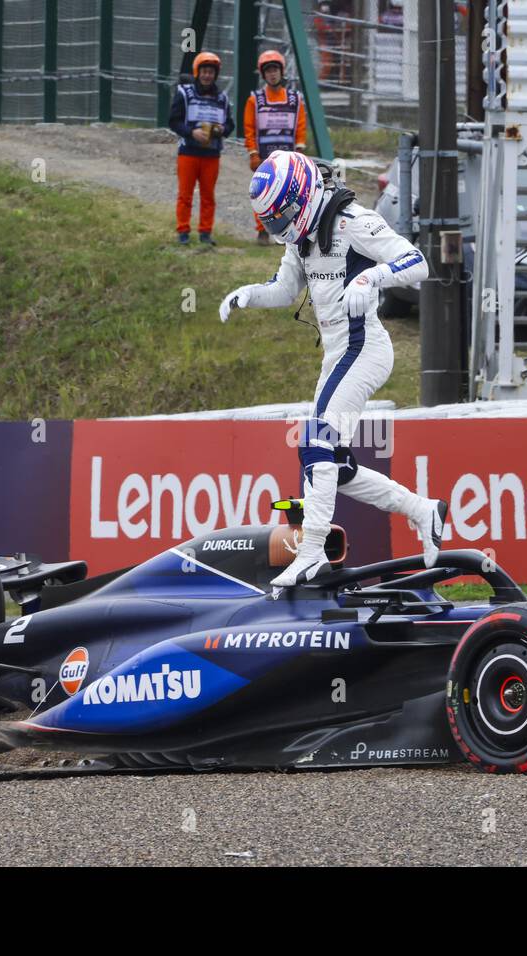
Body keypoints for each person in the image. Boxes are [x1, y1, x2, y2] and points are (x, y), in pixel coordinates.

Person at [219, 151, 447, 588]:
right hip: (338, 353)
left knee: (315, 441)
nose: (282, 228)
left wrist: (368, 279)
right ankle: (422, 510)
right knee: (332, 463)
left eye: (283, 215)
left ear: (302, 194)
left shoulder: (353, 221)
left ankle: (311, 552)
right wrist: (247, 293)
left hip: (365, 349)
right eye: (272, 221)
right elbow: (285, 290)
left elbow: (417, 261)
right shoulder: (299, 236)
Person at [168, 51, 234, 245]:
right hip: (188, 152)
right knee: (185, 195)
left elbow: (230, 124)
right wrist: (191, 132)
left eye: (211, 72)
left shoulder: (222, 98)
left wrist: (223, 129)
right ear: (198, 72)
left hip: (212, 154)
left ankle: (205, 232)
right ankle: (183, 232)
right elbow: (173, 121)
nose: (207, 75)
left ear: (215, 74)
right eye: (204, 71)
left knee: (208, 196)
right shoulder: (184, 93)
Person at [244, 50, 308, 245]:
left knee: (290, 193)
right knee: (261, 192)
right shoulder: (255, 100)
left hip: (288, 158)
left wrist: (300, 150)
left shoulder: (295, 99)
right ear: (263, 74)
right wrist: (253, 153)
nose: (272, 74)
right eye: (268, 70)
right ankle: (262, 232)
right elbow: (249, 128)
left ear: (281, 72)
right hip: (264, 156)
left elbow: (300, 126)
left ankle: (290, 232)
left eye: (275, 70)